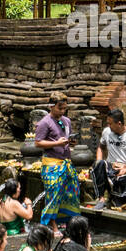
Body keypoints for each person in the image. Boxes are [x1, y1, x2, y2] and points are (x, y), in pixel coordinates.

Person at [34, 95, 81, 228]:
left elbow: (67, 138)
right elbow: (38, 143)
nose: (62, 111)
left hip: (66, 163)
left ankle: (65, 222)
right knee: (53, 195)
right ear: (51, 106)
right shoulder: (45, 122)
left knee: (70, 193)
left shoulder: (67, 121)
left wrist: (70, 142)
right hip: (52, 165)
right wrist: (56, 143)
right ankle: (52, 225)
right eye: (60, 108)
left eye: (65, 108)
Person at [91, 109, 126, 209]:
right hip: (110, 167)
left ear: (119, 123)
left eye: (110, 124)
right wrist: (99, 160)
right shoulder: (107, 132)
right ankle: (101, 199)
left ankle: (119, 201)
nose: (108, 126)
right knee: (98, 164)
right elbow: (101, 146)